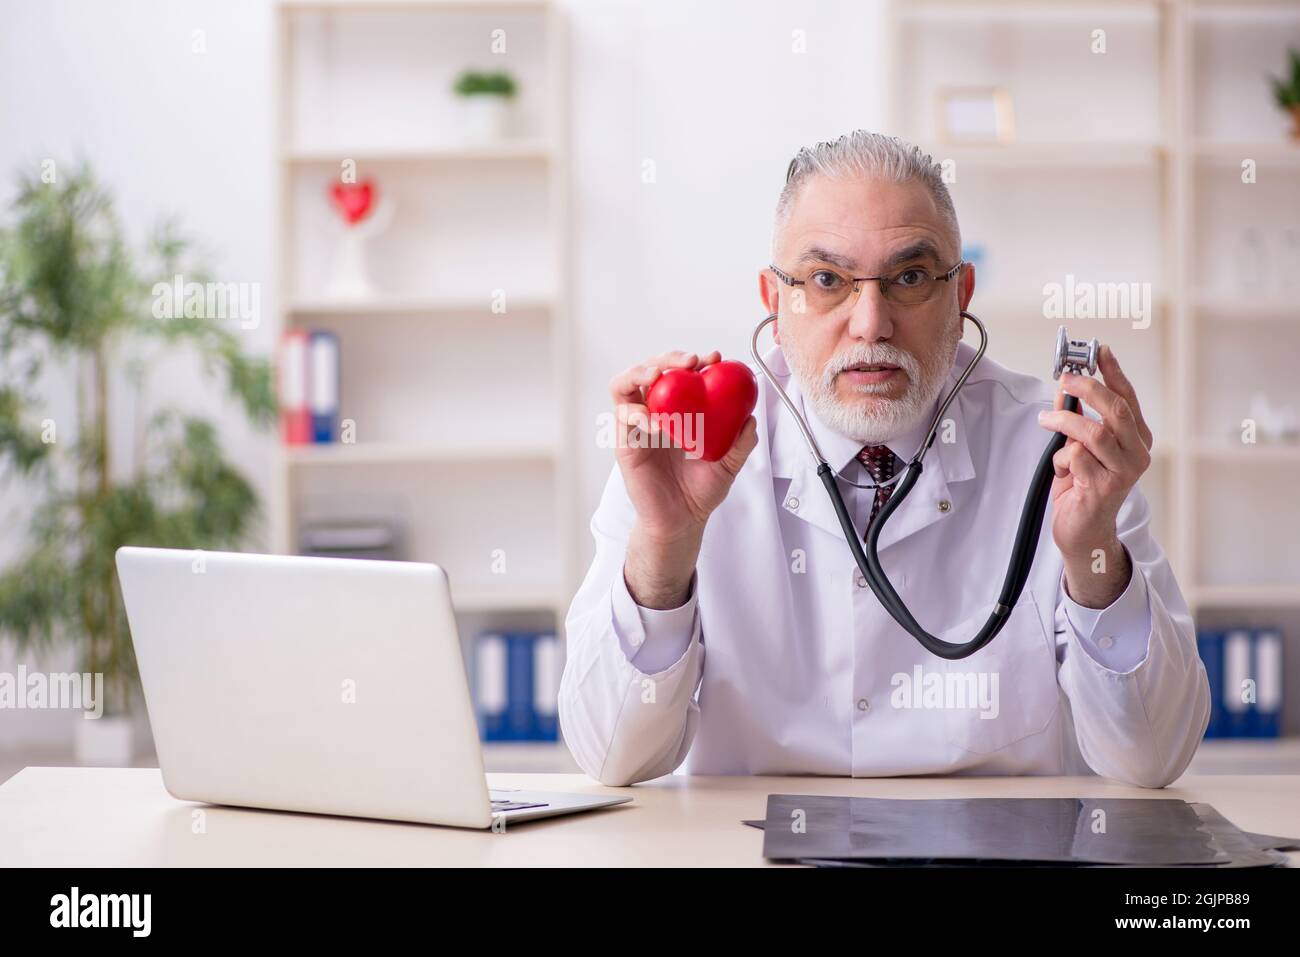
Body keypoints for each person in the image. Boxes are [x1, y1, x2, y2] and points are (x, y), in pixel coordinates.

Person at [559, 131, 1209, 788]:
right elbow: (612, 753)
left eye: (909, 277)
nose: (871, 322)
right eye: (825, 279)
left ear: (961, 297)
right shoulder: (687, 446)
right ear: (774, 301)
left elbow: (1151, 757)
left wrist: (1093, 554)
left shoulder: (1062, 452)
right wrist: (663, 548)